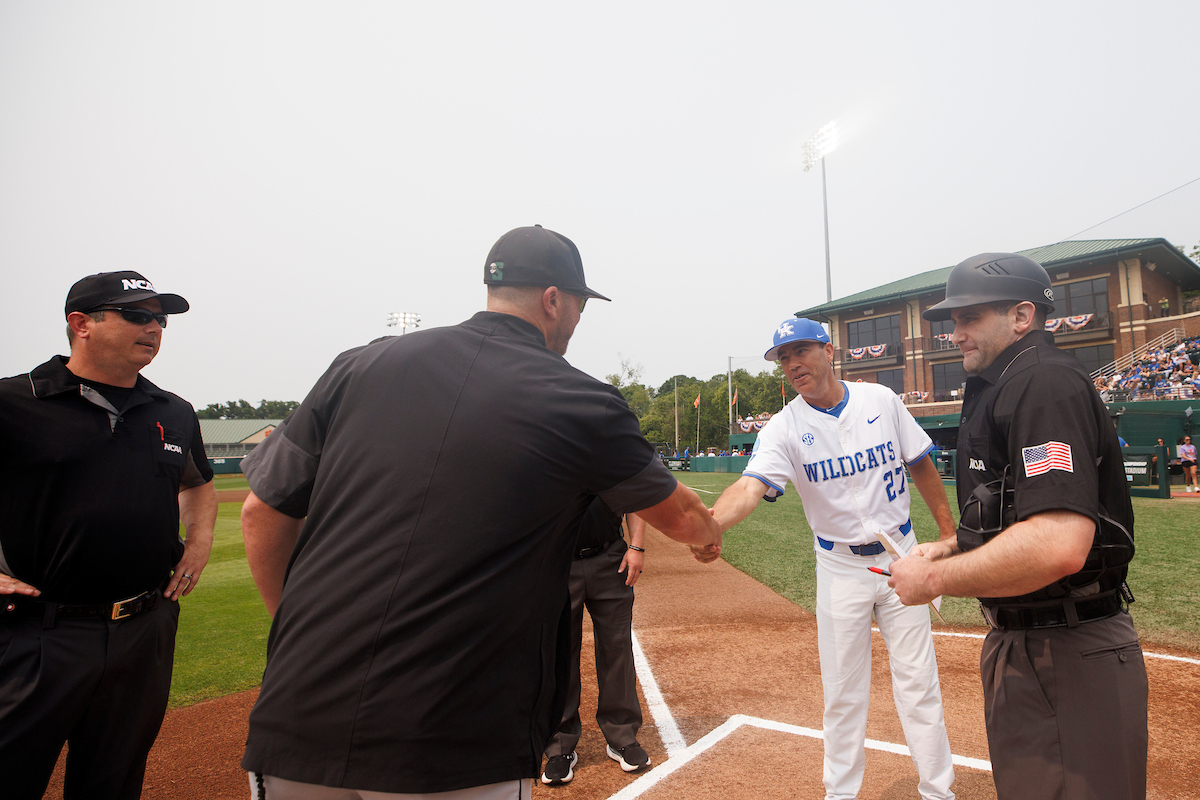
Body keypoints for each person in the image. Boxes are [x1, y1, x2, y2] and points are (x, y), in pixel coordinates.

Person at [239, 225, 722, 799]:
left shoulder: (357, 366)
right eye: (577, 305)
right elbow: (687, 519)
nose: (575, 319)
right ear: (551, 299)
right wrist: (710, 532)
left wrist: (295, 633)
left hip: (298, 712)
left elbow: (259, 513)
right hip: (454, 735)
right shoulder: (578, 397)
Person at [889, 252, 1147, 800]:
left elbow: (1058, 543)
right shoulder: (1004, 382)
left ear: (1022, 316)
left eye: (969, 318)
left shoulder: (1043, 383)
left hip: (1070, 650)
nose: (954, 334)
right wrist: (952, 548)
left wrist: (934, 582)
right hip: (1032, 643)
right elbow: (1021, 510)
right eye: (952, 321)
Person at [710, 318, 958, 800]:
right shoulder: (783, 427)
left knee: (918, 682)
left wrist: (948, 535)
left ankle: (938, 792)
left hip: (900, 554)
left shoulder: (880, 400)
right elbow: (750, 487)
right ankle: (841, 794)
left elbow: (922, 463)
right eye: (783, 358)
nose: (792, 364)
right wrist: (712, 524)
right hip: (840, 566)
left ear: (828, 350)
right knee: (843, 693)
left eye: (800, 351)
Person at [0, 271, 216, 800]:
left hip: (143, 631)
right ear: (81, 324)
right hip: (36, 632)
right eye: (137, 315)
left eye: (160, 319)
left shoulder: (174, 412)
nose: (155, 327)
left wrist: (201, 541)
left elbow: (198, 485)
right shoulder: (13, 402)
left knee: (113, 783)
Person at [541, 500, 650, 786]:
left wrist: (636, 546)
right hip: (556, 562)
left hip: (611, 558)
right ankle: (559, 745)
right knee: (560, 654)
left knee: (617, 650)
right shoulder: (543, 453)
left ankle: (622, 736)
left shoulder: (610, 453)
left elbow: (633, 497)